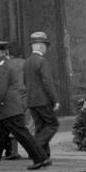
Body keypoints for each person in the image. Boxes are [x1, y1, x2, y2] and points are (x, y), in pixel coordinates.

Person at [0, 38, 48, 171]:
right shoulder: (2, 64)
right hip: (7, 109)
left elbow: (0, 89)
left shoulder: (2, 66)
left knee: (23, 135)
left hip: (8, 108)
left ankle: (41, 158)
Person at [24, 31, 60, 162]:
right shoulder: (42, 61)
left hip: (31, 100)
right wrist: (55, 100)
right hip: (43, 100)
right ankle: (36, 148)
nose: (46, 49)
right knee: (52, 124)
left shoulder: (27, 62)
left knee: (40, 127)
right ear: (41, 46)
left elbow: (24, 82)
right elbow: (48, 82)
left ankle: (43, 157)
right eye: (45, 46)